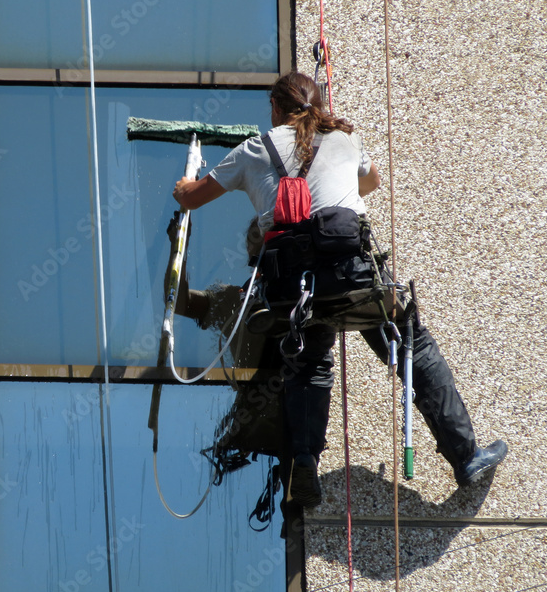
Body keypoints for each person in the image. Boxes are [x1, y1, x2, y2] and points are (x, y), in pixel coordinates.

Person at [172, 71, 508, 508]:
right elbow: (371, 182)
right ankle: (465, 456)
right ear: (318, 106)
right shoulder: (343, 141)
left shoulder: (254, 149)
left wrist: (183, 187)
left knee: (309, 366)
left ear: (275, 108)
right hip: (352, 278)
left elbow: (193, 197)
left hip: (294, 294)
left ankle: (305, 466)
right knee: (412, 347)